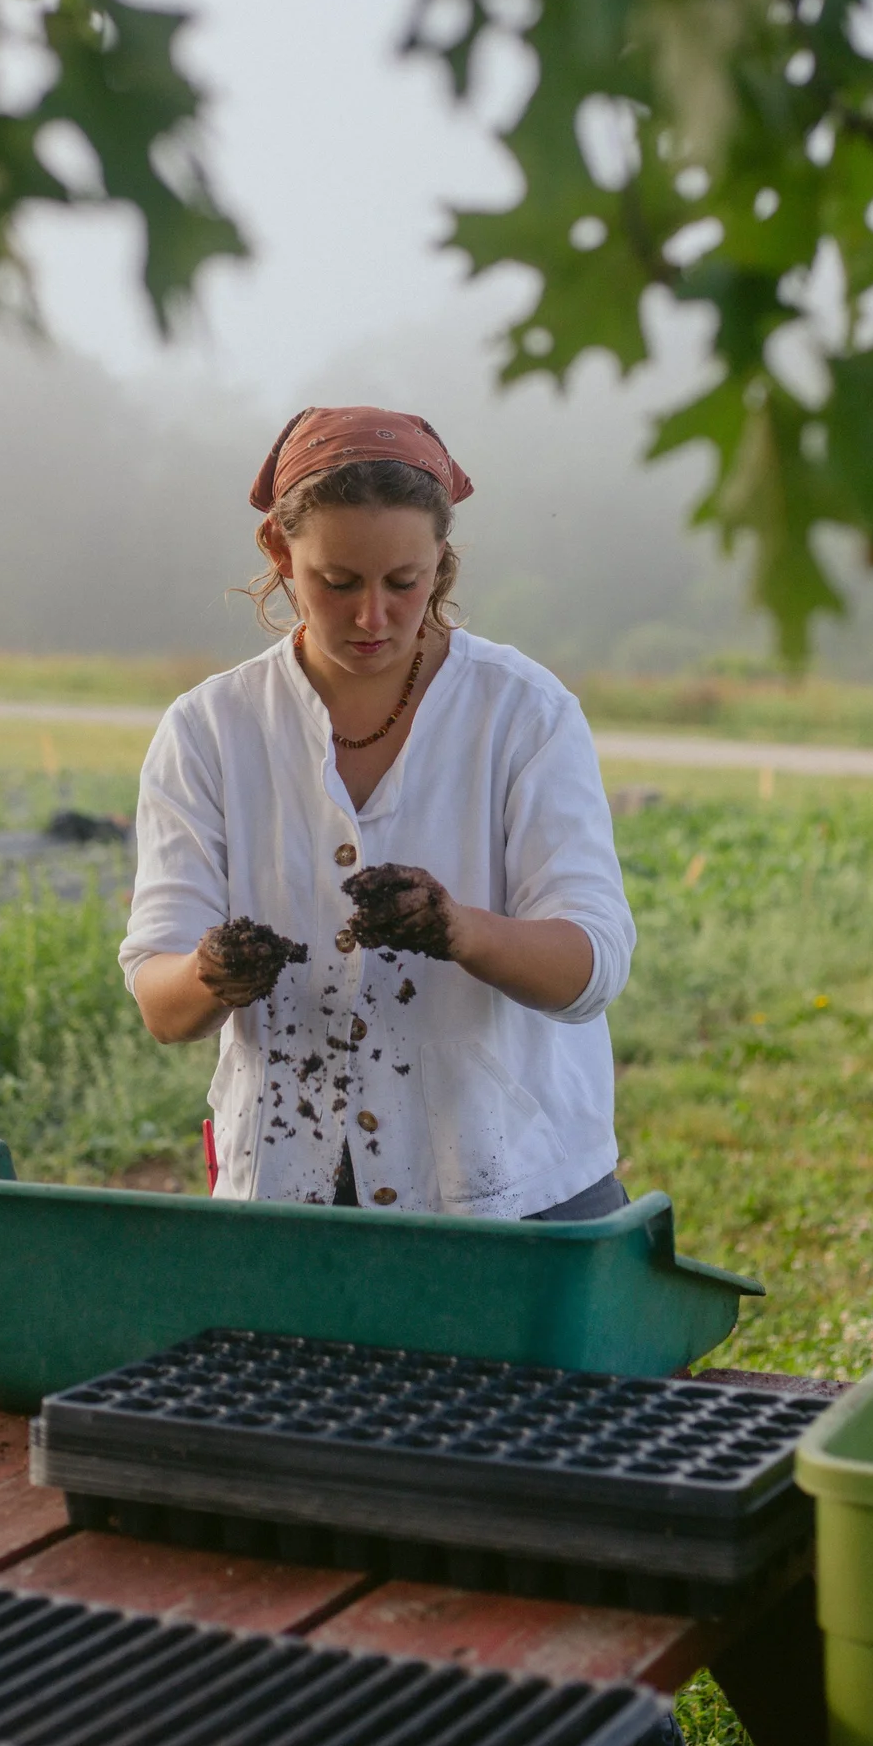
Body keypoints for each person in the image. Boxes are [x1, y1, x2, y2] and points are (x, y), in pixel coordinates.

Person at [119, 404, 637, 1222]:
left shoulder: (525, 713)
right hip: (290, 1195)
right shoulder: (209, 730)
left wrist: (458, 930)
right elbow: (160, 1000)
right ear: (281, 554)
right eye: (337, 583)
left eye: (405, 582)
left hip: (520, 1195)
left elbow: (593, 966)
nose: (373, 617)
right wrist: (213, 972)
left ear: (443, 560)